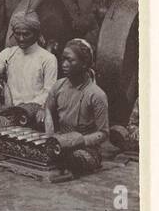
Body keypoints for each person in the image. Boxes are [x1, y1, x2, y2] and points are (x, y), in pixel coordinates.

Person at [41, 39, 113, 177]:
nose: (64, 64)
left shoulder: (97, 94)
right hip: (60, 142)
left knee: (72, 159)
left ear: (84, 64)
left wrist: (78, 141)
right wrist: (49, 136)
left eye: (70, 60)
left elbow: (104, 133)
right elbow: (48, 109)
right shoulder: (58, 86)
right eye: (63, 60)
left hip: (86, 150)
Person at [0, 10, 58, 113]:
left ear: (36, 33)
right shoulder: (8, 54)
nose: (21, 39)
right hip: (10, 112)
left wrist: (28, 107)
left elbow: (49, 91)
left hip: (35, 114)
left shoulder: (48, 59)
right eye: (17, 34)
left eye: (26, 34)